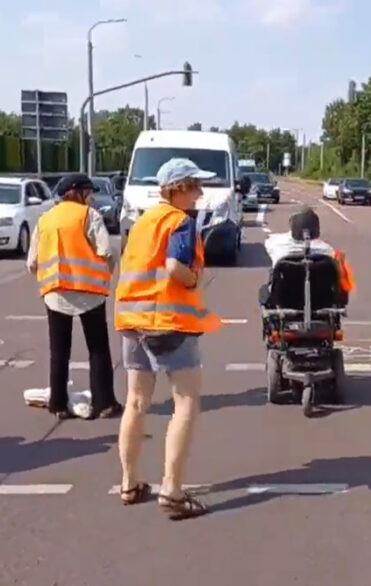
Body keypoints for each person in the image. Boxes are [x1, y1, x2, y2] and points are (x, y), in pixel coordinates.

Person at [114, 158, 222, 520]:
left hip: (132, 320)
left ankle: (129, 483)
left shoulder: (143, 221)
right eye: (194, 187)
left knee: (136, 402)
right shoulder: (180, 222)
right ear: (176, 189)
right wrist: (192, 280)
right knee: (186, 402)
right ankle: (172, 491)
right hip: (168, 323)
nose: (200, 194)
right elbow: (175, 268)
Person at [27, 173, 121, 420]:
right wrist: (105, 275)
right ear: (77, 193)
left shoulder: (45, 220)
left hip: (55, 292)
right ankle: (104, 403)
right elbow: (106, 252)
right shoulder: (89, 216)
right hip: (89, 292)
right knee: (98, 348)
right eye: (88, 193)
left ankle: (58, 403)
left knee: (59, 350)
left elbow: (32, 262)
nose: (91, 198)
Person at [263, 205, 355, 302]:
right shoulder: (327, 250)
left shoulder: (275, 243)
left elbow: (268, 245)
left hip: (285, 299)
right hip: (321, 300)